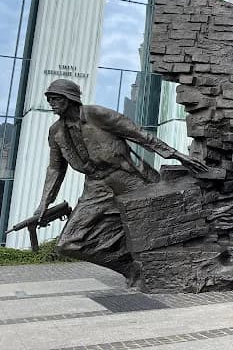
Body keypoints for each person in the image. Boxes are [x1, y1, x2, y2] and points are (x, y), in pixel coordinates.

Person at [34, 79, 206, 282]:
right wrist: (43, 204)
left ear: (69, 98)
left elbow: (140, 135)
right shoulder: (56, 132)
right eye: (49, 99)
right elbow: (55, 169)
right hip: (95, 186)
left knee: (158, 223)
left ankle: (171, 265)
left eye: (55, 98)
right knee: (68, 243)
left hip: (129, 179)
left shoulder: (97, 115)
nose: (51, 103)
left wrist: (178, 155)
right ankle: (129, 266)